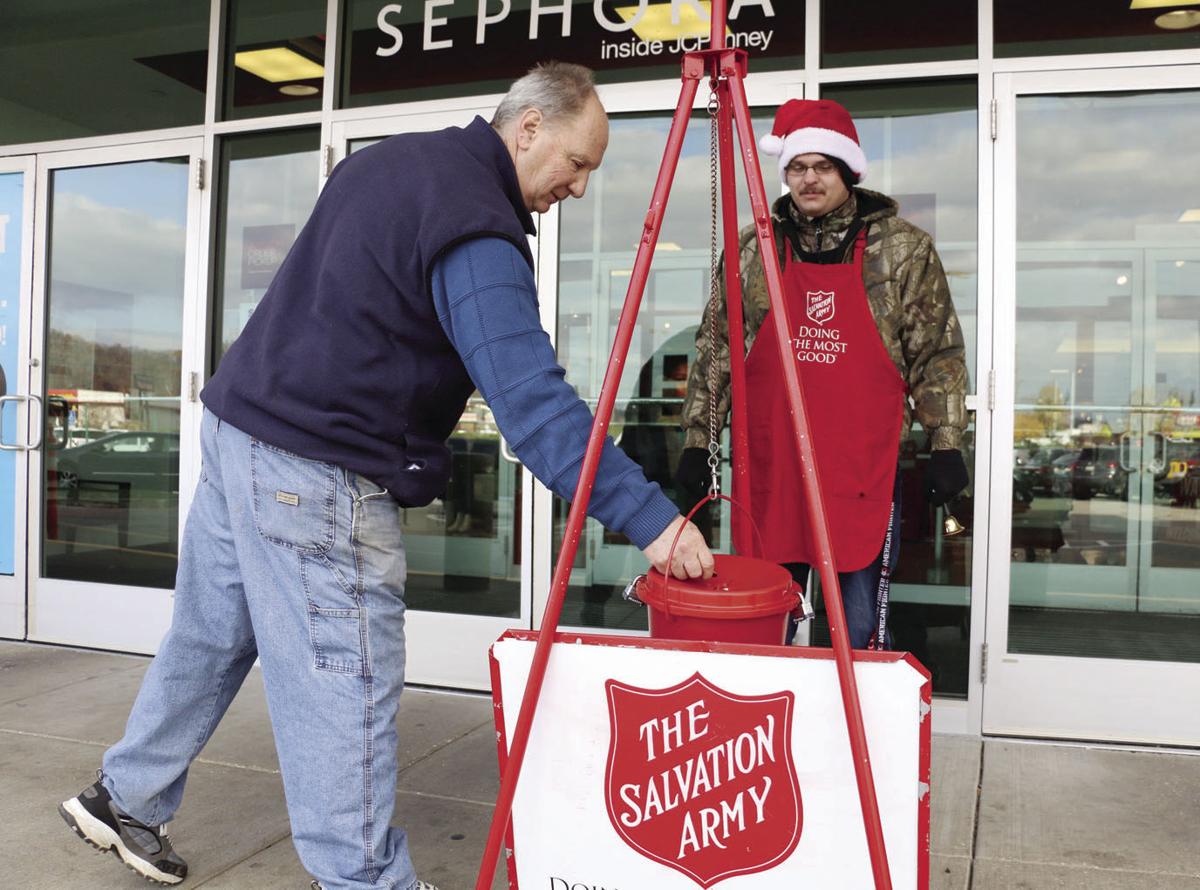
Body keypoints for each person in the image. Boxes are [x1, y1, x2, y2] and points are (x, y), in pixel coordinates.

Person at [58, 61, 713, 890]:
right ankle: (364, 880)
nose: (578, 188)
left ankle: (128, 796)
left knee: (211, 634)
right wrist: (652, 520)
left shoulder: (391, 160)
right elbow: (534, 406)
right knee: (347, 685)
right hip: (316, 473)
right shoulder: (475, 224)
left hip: (242, 433)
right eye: (578, 164)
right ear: (530, 128)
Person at [675, 98, 968, 649]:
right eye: (796, 167)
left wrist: (946, 444)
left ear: (848, 170)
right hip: (772, 466)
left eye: (823, 166)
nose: (809, 179)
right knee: (765, 621)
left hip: (859, 470)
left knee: (854, 629)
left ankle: (848, 729)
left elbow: (937, 355)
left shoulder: (903, 250)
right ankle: (773, 725)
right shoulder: (752, 248)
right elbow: (717, 351)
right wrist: (699, 440)